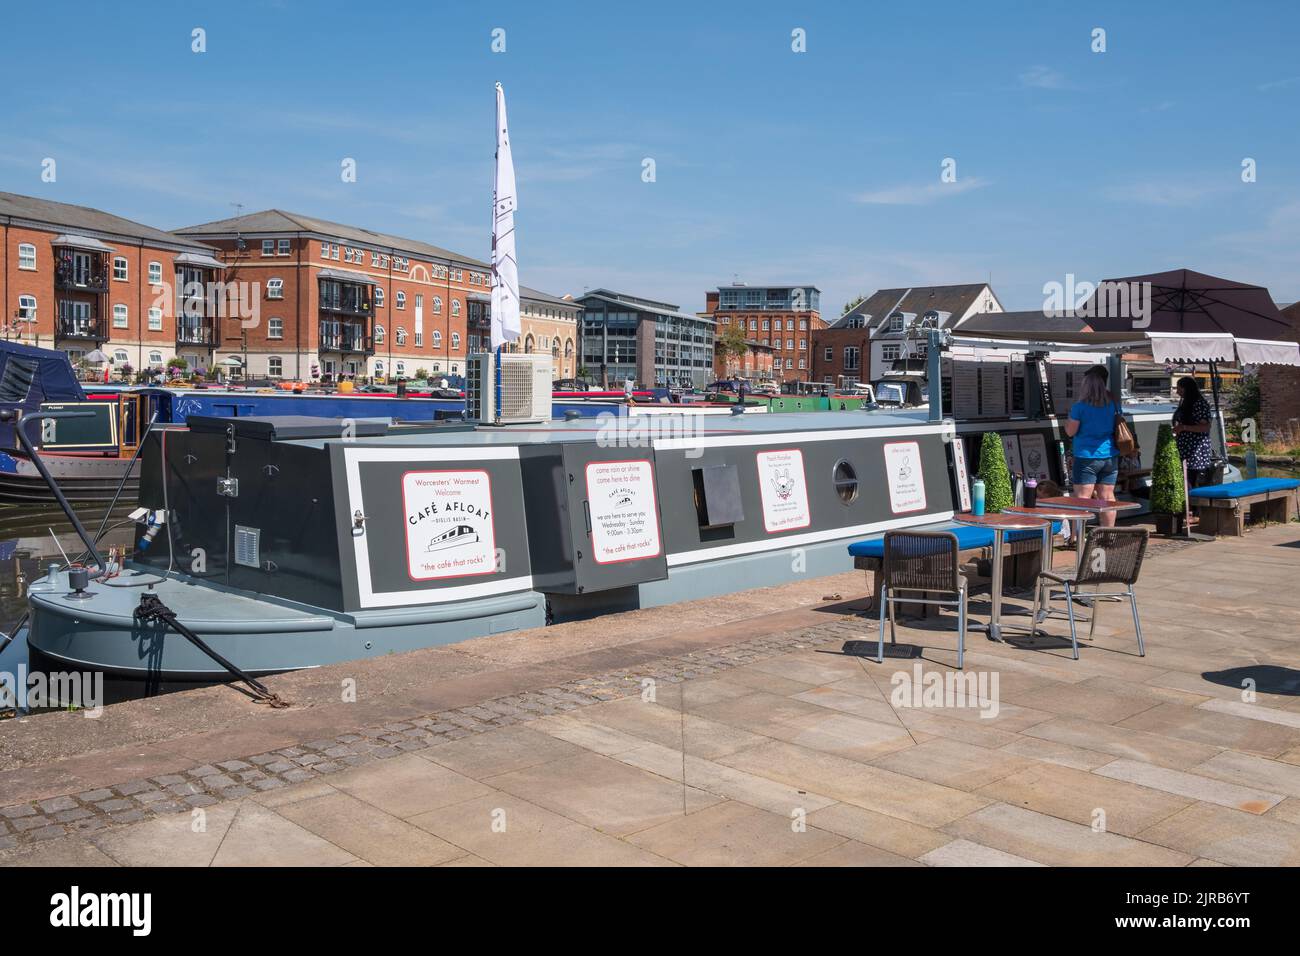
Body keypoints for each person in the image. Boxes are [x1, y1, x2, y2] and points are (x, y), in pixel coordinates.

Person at [1064, 364, 1121, 527]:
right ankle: (1108, 534)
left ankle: (1076, 537)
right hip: (1110, 455)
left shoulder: (1079, 407)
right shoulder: (1114, 404)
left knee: (1082, 498)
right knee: (1108, 498)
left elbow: (1070, 432)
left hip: (1086, 456)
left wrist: (1067, 423)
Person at [1172, 376, 1214, 487]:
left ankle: (1192, 503)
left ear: (1187, 389)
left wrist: (1183, 428)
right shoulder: (1185, 402)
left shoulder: (1199, 404)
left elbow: (1205, 427)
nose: (1177, 392)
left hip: (1195, 451)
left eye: (1179, 389)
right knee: (1184, 481)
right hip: (1185, 449)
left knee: (1191, 481)